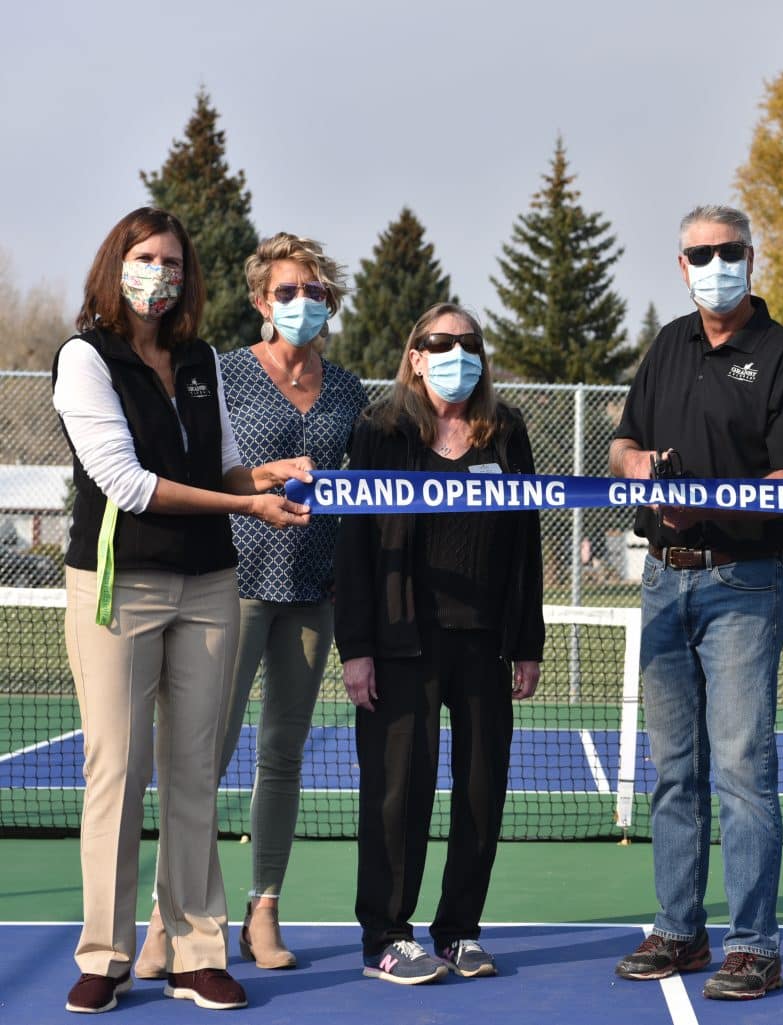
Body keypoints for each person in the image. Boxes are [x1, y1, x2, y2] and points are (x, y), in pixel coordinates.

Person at [51, 207, 313, 1013]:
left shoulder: (199, 359)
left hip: (209, 588)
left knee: (195, 772)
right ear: (116, 265)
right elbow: (128, 485)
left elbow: (225, 467)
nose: (159, 274)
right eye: (145, 258)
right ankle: (106, 953)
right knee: (118, 774)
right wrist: (248, 508)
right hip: (118, 588)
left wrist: (267, 478)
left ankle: (199, 953)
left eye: (172, 262)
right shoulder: (84, 358)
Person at [609, 204, 783, 1000]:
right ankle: (678, 929)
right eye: (699, 253)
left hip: (744, 580)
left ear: (750, 255)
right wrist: (638, 469)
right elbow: (623, 442)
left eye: (728, 250)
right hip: (663, 578)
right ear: (681, 265)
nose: (714, 263)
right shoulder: (668, 344)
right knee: (675, 770)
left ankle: (754, 944)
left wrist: (702, 509)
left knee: (741, 768)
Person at [136, 233, 368, 978]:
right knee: (201, 758)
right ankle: (170, 918)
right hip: (227, 587)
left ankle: (263, 907)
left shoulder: (348, 390)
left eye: (316, 291)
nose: (303, 303)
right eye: (288, 291)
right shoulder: (223, 373)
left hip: (313, 594)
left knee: (284, 756)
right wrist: (264, 477)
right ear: (262, 300)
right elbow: (204, 469)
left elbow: (357, 491)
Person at [333, 303, 544, 985]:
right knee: (399, 796)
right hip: (400, 644)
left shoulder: (505, 430)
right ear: (414, 355)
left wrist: (528, 639)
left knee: (482, 792)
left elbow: (528, 537)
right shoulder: (380, 429)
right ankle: (387, 935)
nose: (456, 351)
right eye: (440, 341)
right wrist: (356, 645)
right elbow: (356, 543)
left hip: (485, 642)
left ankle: (458, 931)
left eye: (468, 342)